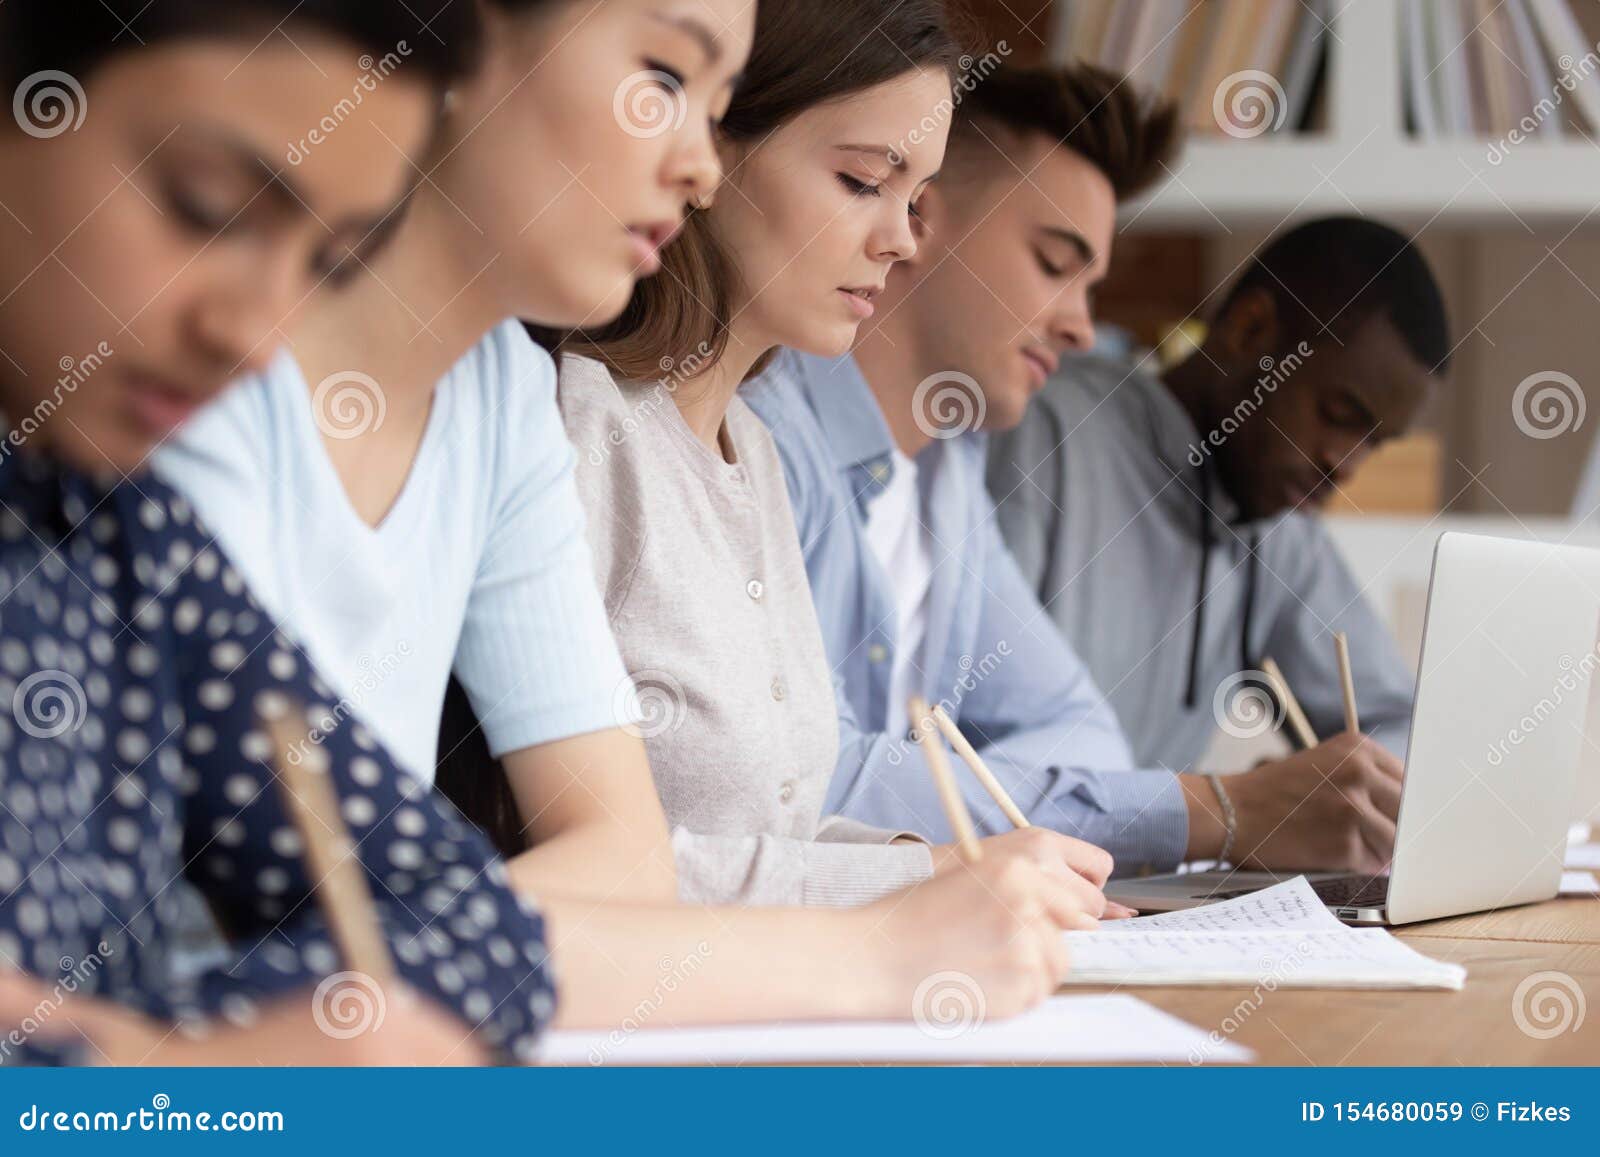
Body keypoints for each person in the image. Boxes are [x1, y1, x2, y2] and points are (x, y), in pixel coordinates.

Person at [150, 0, 1090, 1031]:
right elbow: (306, 949)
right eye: (666, 80)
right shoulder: (191, 378)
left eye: (718, 100)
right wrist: (879, 937)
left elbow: (617, 861)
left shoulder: (503, 391)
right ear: (462, 40)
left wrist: (899, 908)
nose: (698, 166)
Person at [0, 0, 553, 1065]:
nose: (258, 338)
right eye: (205, 208)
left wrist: (177, 1053)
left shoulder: (122, 541)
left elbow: (479, 922)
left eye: (328, 261)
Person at [747, 64, 1406, 880]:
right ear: (915, 217)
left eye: (1091, 287)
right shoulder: (759, 434)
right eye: (1055, 263)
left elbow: (1080, 728)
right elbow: (805, 783)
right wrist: (1213, 811)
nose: (1082, 330)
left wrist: (944, 794)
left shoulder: (949, 472)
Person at [555, 0, 1119, 916]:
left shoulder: (761, 457)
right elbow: (571, 875)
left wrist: (969, 862)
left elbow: (781, 834)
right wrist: (926, 875)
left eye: (914, 197)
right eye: (865, 181)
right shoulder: (584, 434)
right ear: (712, 155)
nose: (901, 239)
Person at [990, 215, 1445, 772]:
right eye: (1339, 414)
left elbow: (1397, 728)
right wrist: (1229, 812)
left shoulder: (1277, 525)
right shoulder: (1047, 435)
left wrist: (1321, 790)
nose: (1346, 465)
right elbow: (978, 744)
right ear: (1250, 329)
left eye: (1376, 442)